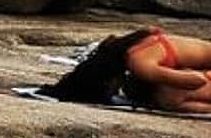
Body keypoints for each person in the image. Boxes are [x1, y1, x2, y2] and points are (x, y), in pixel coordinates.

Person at [44, 27, 211, 113]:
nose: (115, 88)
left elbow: (195, 81)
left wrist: (175, 87)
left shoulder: (139, 65)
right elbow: (152, 30)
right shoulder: (133, 45)